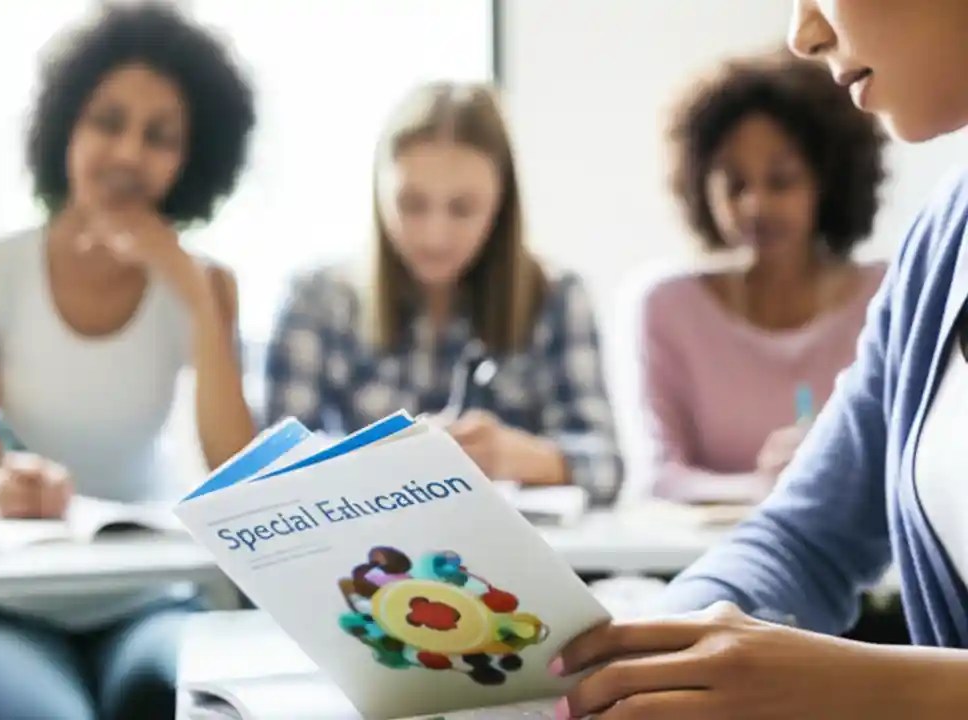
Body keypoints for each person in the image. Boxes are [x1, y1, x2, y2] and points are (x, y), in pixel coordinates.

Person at [552, 1, 968, 718]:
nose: (802, 33)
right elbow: (804, 537)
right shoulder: (941, 243)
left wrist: (860, 688)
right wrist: (658, 651)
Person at [0, 4, 256, 718]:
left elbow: (235, 468)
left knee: (192, 702)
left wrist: (190, 288)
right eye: (108, 120)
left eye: (159, 136)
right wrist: (1, 483)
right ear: (65, 123)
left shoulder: (208, 285)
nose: (129, 152)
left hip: (147, 596)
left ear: (191, 158)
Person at [265, 83, 623, 507]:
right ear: (380, 196)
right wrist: (386, 460)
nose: (435, 235)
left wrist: (515, 456)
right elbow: (275, 471)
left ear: (501, 203)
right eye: (411, 204)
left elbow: (607, 465)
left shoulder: (558, 297)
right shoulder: (318, 299)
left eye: (463, 208)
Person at [635, 50, 888, 505]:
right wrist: (770, 486)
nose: (755, 205)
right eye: (734, 184)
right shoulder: (667, 305)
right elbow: (658, 477)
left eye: (782, 180)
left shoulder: (887, 294)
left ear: (826, 183)